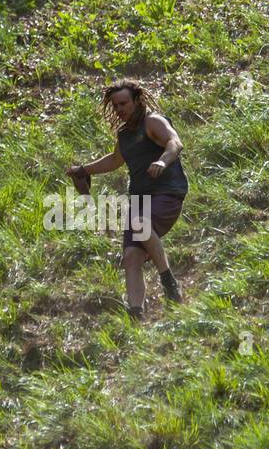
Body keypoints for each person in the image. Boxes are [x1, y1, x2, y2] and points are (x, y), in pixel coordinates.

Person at [66, 80, 188, 321]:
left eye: (123, 103)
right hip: (141, 198)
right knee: (131, 256)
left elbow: (175, 142)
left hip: (167, 192)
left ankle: (168, 282)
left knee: (140, 224)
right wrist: (84, 170)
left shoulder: (153, 122)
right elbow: (114, 160)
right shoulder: (124, 135)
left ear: (137, 101)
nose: (119, 109)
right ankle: (135, 315)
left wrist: (163, 161)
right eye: (115, 105)